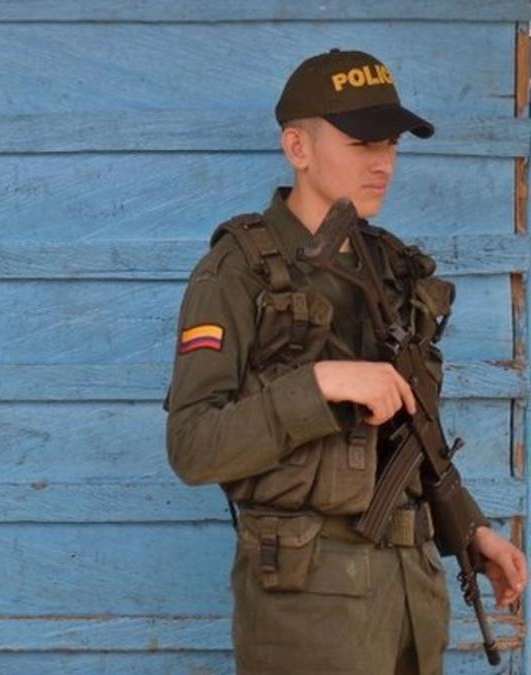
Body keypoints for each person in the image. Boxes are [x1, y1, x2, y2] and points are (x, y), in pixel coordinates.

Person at [165, 49, 527, 673]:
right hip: (309, 612)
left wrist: (468, 531)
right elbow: (193, 444)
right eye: (362, 143)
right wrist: (320, 384)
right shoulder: (237, 272)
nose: (383, 162)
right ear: (297, 147)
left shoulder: (391, 269)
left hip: (413, 601)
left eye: (390, 143)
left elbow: (415, 438)